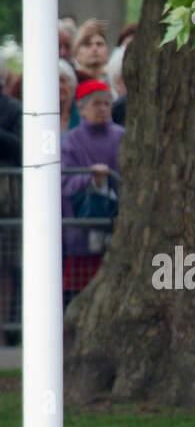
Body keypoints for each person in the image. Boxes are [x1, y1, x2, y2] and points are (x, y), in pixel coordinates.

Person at [60, 80, 123, 296]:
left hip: (117, 224)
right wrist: (90, 179)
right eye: (97, 104)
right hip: (82, 228)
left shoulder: (121, 136)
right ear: (82, 109)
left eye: (107, 104)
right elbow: (63, 183)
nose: (103, 109)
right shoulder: (71, 141)